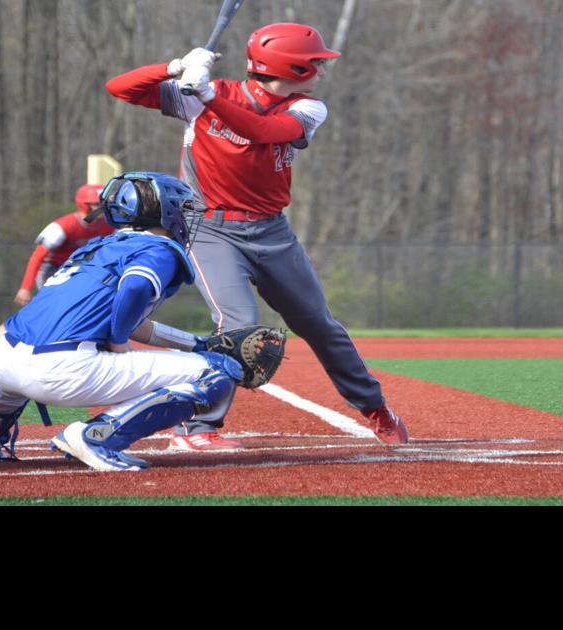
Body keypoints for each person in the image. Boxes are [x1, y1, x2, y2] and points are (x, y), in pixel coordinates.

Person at [104, 22, 408, 450]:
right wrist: (175, 66)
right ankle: (198, 428)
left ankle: (374, 406)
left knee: (319, 325)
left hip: (271, 230)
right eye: (316, 62)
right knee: (238, 325)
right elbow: (120, 88)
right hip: (209, 228)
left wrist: (207, 96)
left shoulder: (308, 108)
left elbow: (261, 132)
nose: (321, 69)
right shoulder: (204, 94)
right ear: (293, 65)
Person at [0, 171, 246, 473]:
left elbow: (128, 317)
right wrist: (117, 341)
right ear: (163, 212)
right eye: (181, 209)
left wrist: (198, 343)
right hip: (60, 370)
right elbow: (135, 288)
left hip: (2, 360)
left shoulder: (98, 246)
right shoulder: (158, 248)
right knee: (216, 372)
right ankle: (96, 438)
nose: (184, 218)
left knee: (13, 375)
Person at [14, 184, 113, 306]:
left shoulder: (107, 225)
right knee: (60, 304)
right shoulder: (64, 226)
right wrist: (26, 287)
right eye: (97, 205)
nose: (102, 209)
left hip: (82, 268)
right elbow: (37, 256)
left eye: (103, 204)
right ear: (84, 205)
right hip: (54, 269)